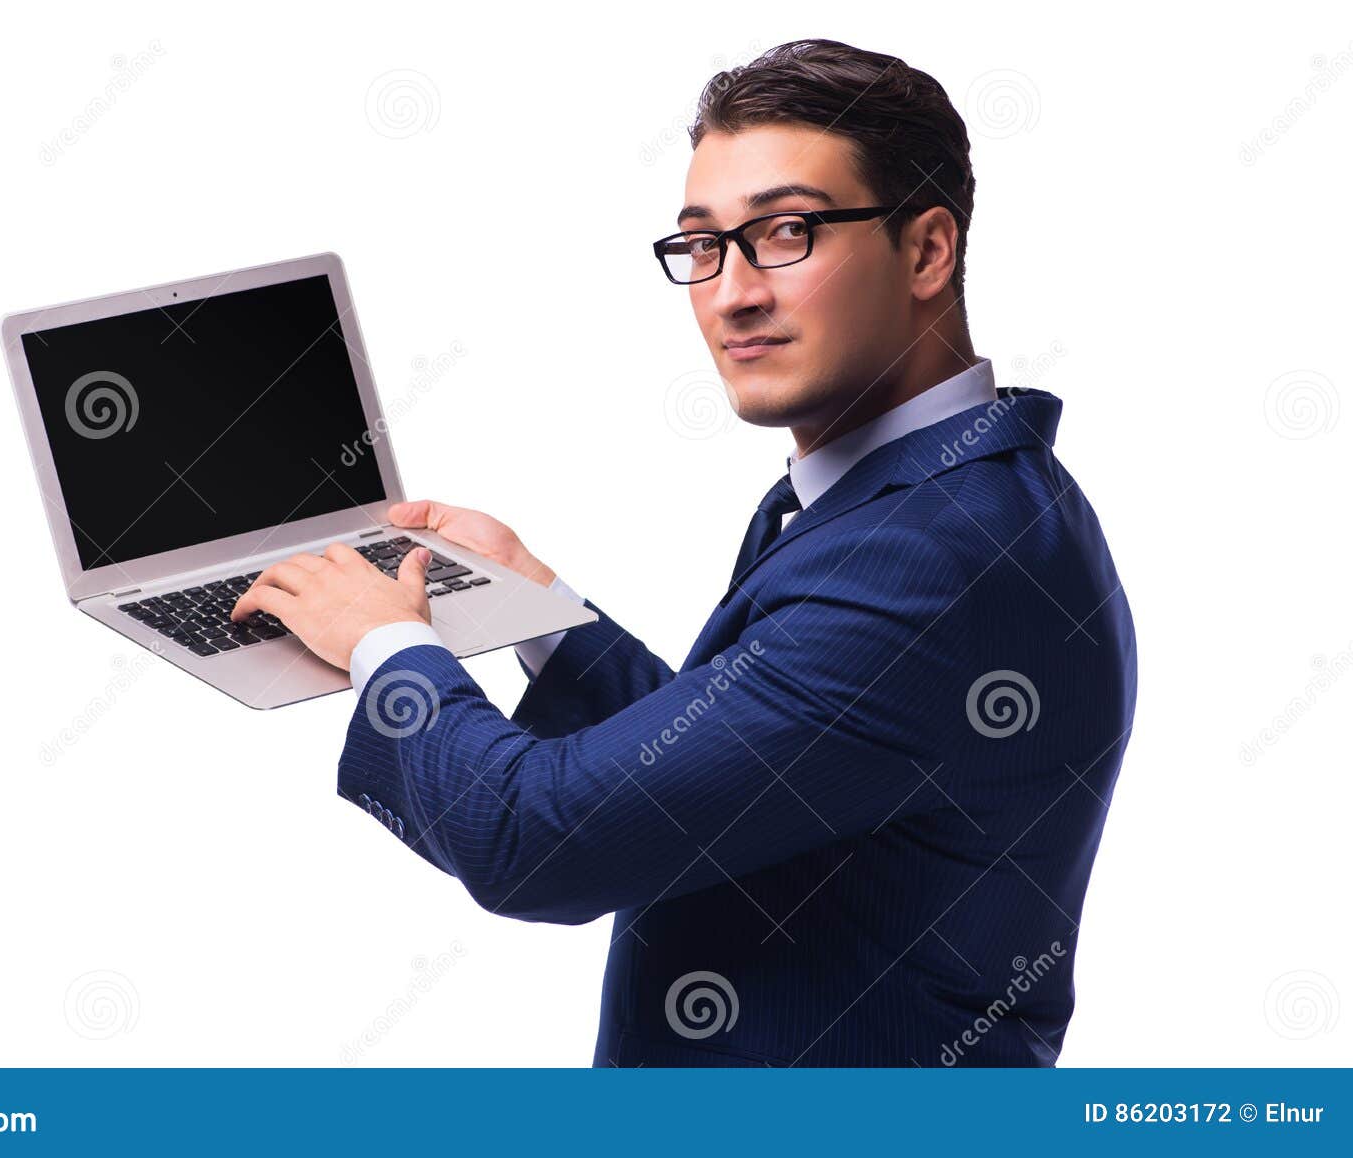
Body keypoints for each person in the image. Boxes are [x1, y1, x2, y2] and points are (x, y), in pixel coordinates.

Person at [231, 38, 1137, 1067]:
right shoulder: (918, 496)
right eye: (702, 245)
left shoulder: (933, 559)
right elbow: (744, 776)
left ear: (927, 252)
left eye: (786, 232)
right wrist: (540, 612)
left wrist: (389, 652)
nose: (731, 293)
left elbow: (535, 843)